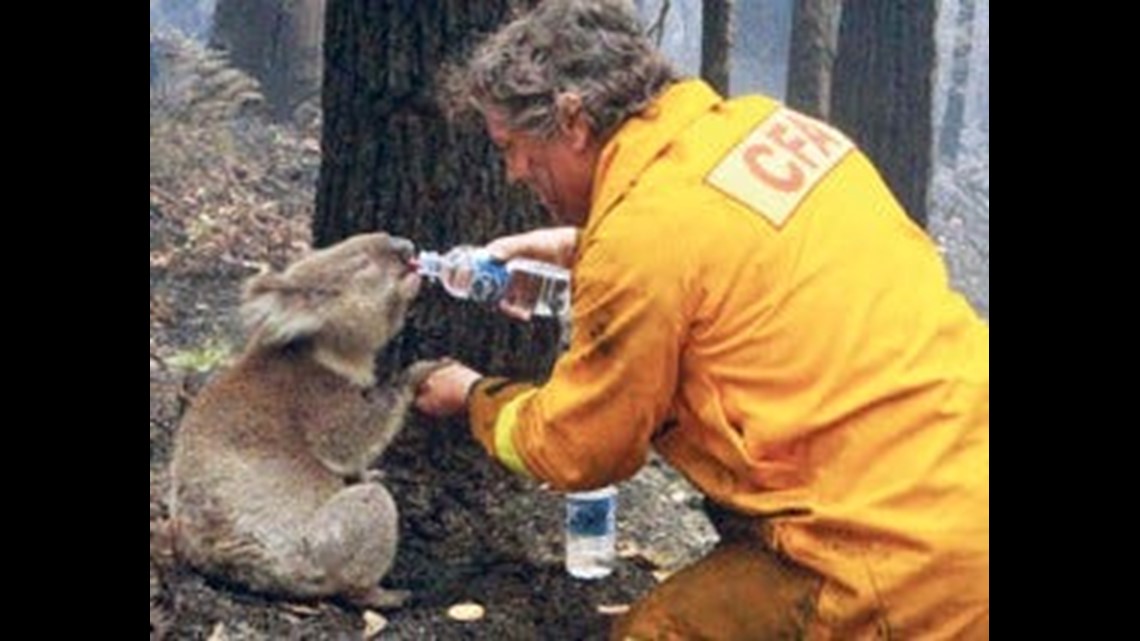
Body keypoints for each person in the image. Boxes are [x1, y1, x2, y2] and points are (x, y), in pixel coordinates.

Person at [416, 1, 989, 638]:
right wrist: (584, 251)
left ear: (573, 122)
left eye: (513, 148)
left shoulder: (643, 239)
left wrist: (474, 397)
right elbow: (737, 265)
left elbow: (581, 447)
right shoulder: (765, 127)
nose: (514, 172)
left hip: (901, 557)